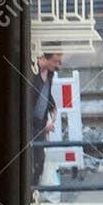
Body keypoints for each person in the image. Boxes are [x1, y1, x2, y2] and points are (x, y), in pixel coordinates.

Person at [29, 50, 62, 191]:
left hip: (41, 123)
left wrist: (52, 107)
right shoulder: (32, 75)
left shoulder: (49, 74)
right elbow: (28, 103)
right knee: (33, 158)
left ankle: (34, 189)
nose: (58, 65)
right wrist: (44, 125)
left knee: (39, 159)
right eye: (55, 61)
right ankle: (30, 191)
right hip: (32, 125)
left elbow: (46, 93)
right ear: (44, 58)